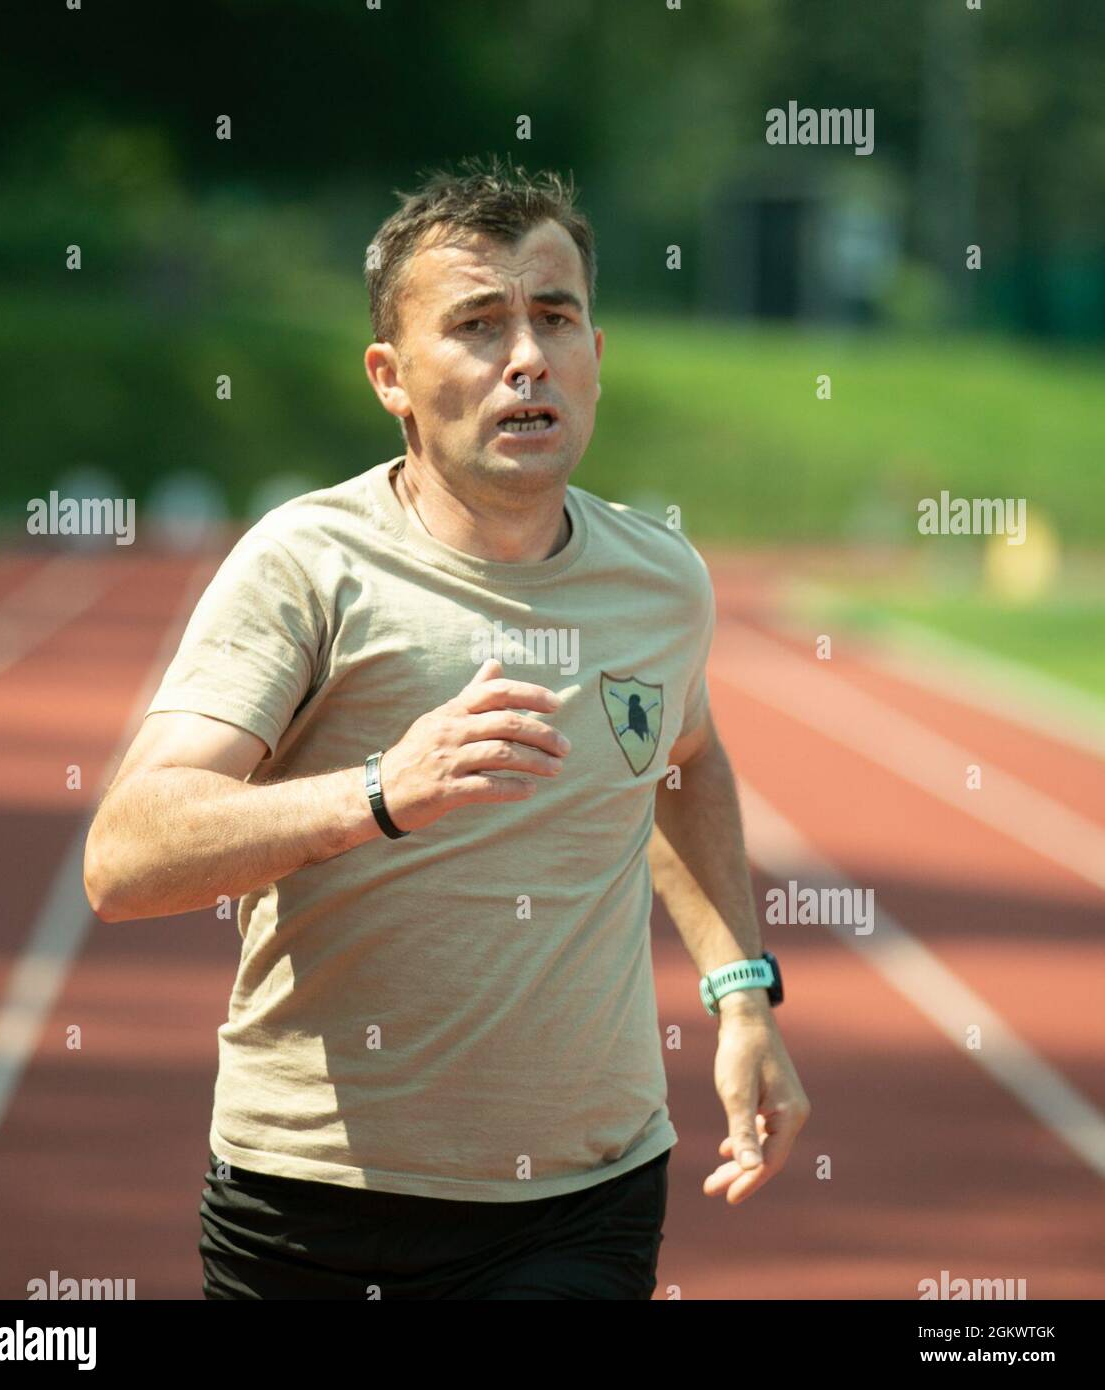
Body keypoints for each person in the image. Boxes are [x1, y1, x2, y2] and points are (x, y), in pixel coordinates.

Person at [82, 153, 810, 1300]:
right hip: (318, 1199)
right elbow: (123, 858)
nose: (527, 356)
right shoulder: (304, 567)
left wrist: (740, 996)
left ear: (595, 357)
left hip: (582, 1198)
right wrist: (375, 792)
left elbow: (680, 761)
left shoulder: (661, 580)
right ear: (390, 376)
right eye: (477, 323)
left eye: (555, 316)